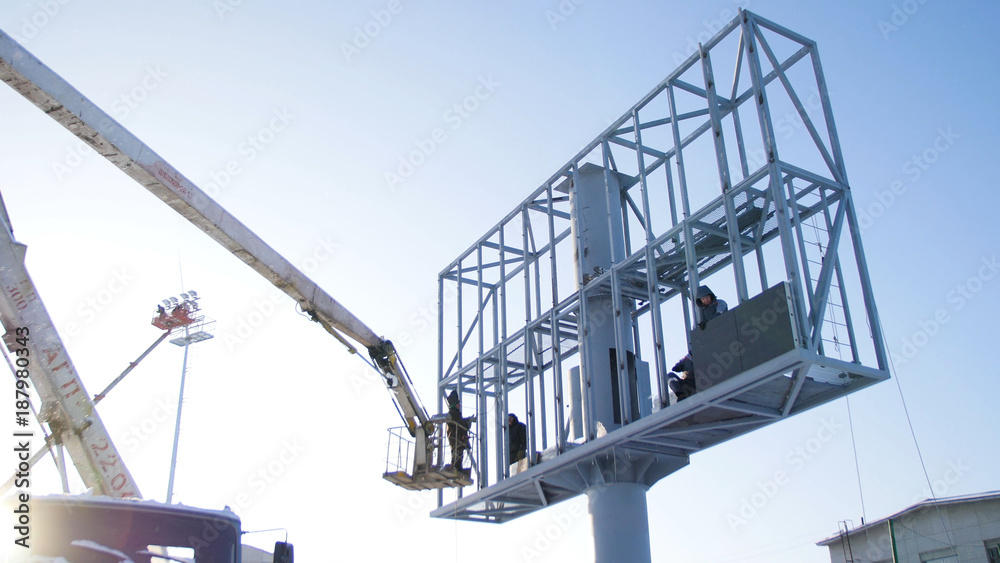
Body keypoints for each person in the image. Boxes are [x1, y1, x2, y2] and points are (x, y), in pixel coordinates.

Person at [445, 390, 474, 470]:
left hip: (457, 438)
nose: (459, 405)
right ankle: (455, 467)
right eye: (458, 404)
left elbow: (460, 422)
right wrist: (468, 421)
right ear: (454, 405)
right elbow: (459, 423)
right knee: (457, 454)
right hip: (455, 438)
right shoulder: (452, 413)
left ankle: (457, 467)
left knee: (459, 454)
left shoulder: (455, 413)